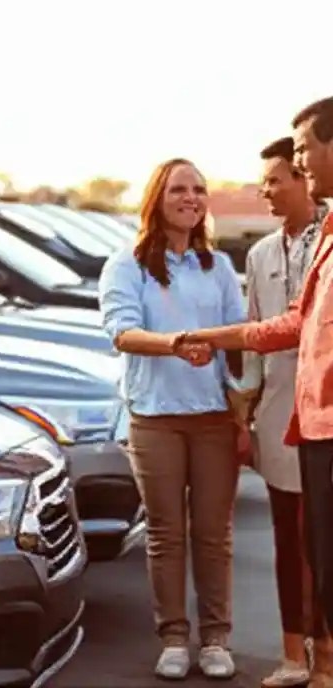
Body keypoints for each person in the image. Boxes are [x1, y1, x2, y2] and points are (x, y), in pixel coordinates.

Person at [187, 97, 333, 688]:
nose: (296, 164)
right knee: (312, 551)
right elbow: (288, 324)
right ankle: (309, 661)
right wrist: (209, 339)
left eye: (301, 152)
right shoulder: (307, 244)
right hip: (303, 422)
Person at [98, 157, 247, 681]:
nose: (191, 197)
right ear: (157, 199)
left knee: (213, 533)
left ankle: (216, 639)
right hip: (154, 417)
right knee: (165, 534)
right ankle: (174, 639)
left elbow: (237, 339)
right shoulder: (126, 264)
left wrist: (241, 405)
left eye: (199, 189)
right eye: (180, 189)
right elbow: (120, 332)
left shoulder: (219, 267)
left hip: (212, 420)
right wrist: (174, 345)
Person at [238, 135, 330, 687]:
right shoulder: (259, 254)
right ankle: (294, 656)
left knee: (324, 540)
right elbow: (252, 350)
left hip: (326, 413)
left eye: (276, 179)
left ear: (301, 178)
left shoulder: (332, 238)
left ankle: (326, 655)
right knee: (288, 540)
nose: (266, 190)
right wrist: (241, 417)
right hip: (276, 416)